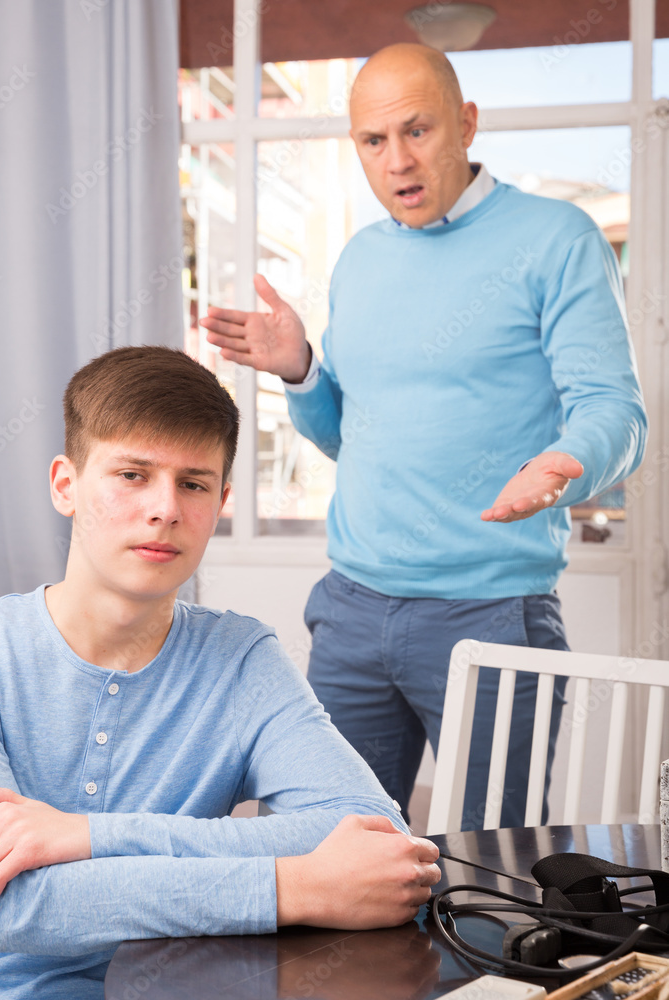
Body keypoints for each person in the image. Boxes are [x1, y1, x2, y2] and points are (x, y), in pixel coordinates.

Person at [0, 347, 441, 999]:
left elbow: (375, 836)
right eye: (132, 475)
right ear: (66, 484)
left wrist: (87, 835)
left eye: (194, 484)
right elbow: (11, 907)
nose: (165, 509)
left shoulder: (242, 657)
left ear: (221, 501)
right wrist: (295, 886)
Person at [200, 43, 647, 830]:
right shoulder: (361, 260)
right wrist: (299, 368)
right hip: (352, 609)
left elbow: (616, 411)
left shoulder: (557, 238)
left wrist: (561, 463)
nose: (398, 161)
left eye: (418, 130)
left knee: (484, 867)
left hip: (492, 610)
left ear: (466, 124)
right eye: (374, 141)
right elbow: (351, 437)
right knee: (327, 850)